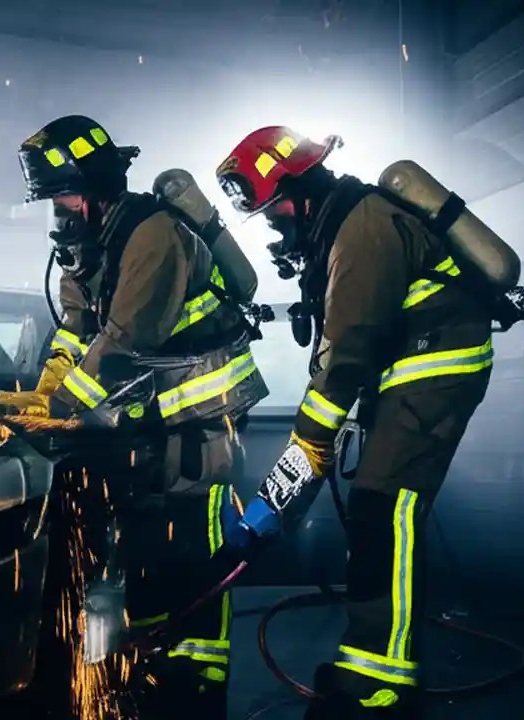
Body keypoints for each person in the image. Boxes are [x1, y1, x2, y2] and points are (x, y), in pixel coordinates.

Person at [0, 114, 269, 718]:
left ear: (93, 188)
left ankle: (201, 670)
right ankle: (158, 652)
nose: (56, 209)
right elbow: (75, 333)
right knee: (152, 537)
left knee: (198, 537)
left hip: (206, 410)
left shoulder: (154, 235)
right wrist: (43, 393)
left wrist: (61, 412)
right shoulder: (89, 243)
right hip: (158, 415)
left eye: (62, 194)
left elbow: (124, 340)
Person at [214, 126, 495, 719]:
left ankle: (381, 681)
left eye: (274, 213)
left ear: (301, 191)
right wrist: (298, 468)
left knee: (385, 507)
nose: (273, 227)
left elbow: (343, 355)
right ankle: (369, 661)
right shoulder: (340, 226)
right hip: (406, 371)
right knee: (374, 508)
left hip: (435, 368)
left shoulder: (360, 230)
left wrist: (302, 458)